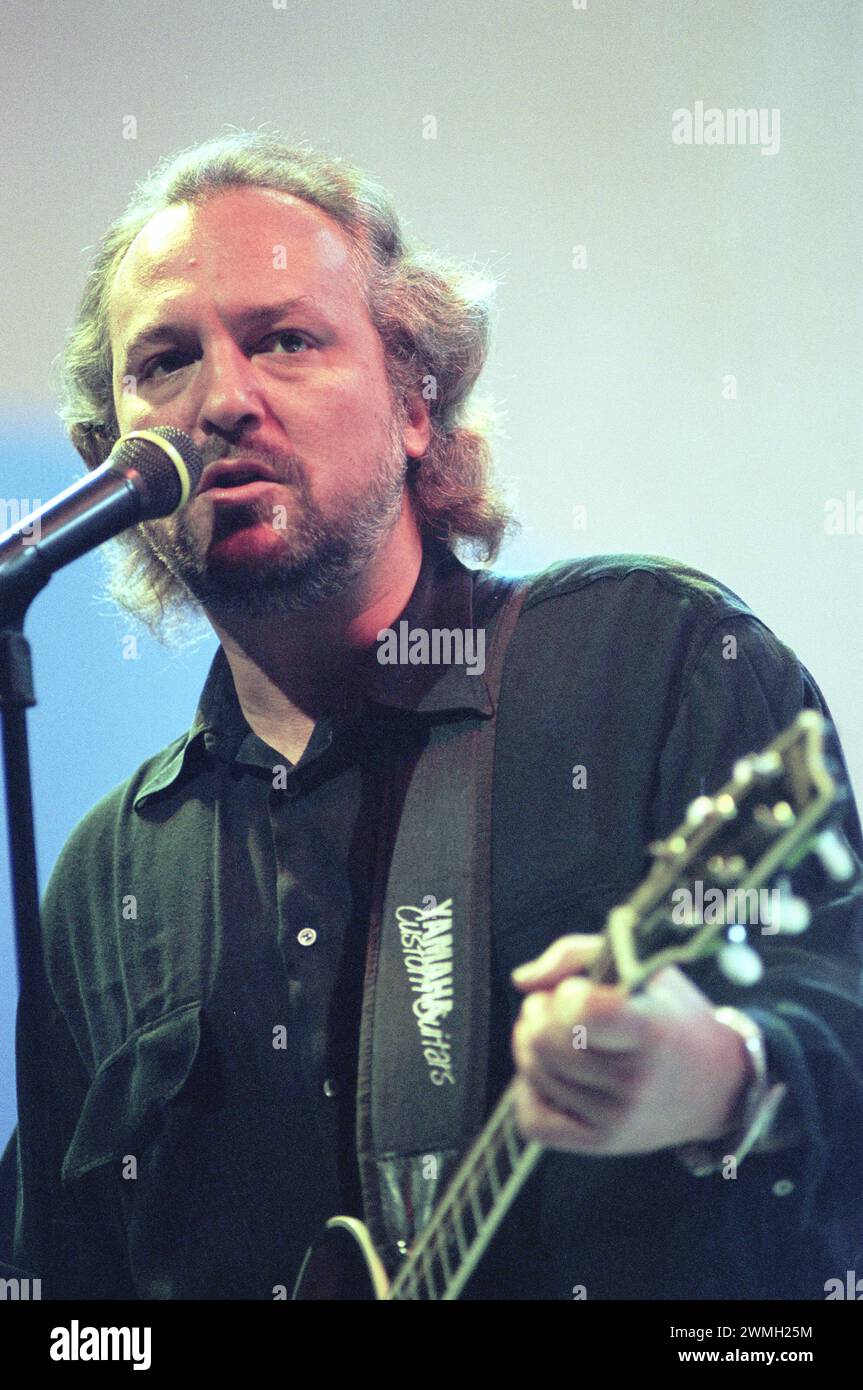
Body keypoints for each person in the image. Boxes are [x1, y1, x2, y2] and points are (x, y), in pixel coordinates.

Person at [1, 130, 861, 1301]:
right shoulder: (107, 879)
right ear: (111, 459)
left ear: (414, 399)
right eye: (163, 363)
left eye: (284, 339)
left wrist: (719, 1072)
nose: (221, 400)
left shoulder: (645, 665)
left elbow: (837, 1007)